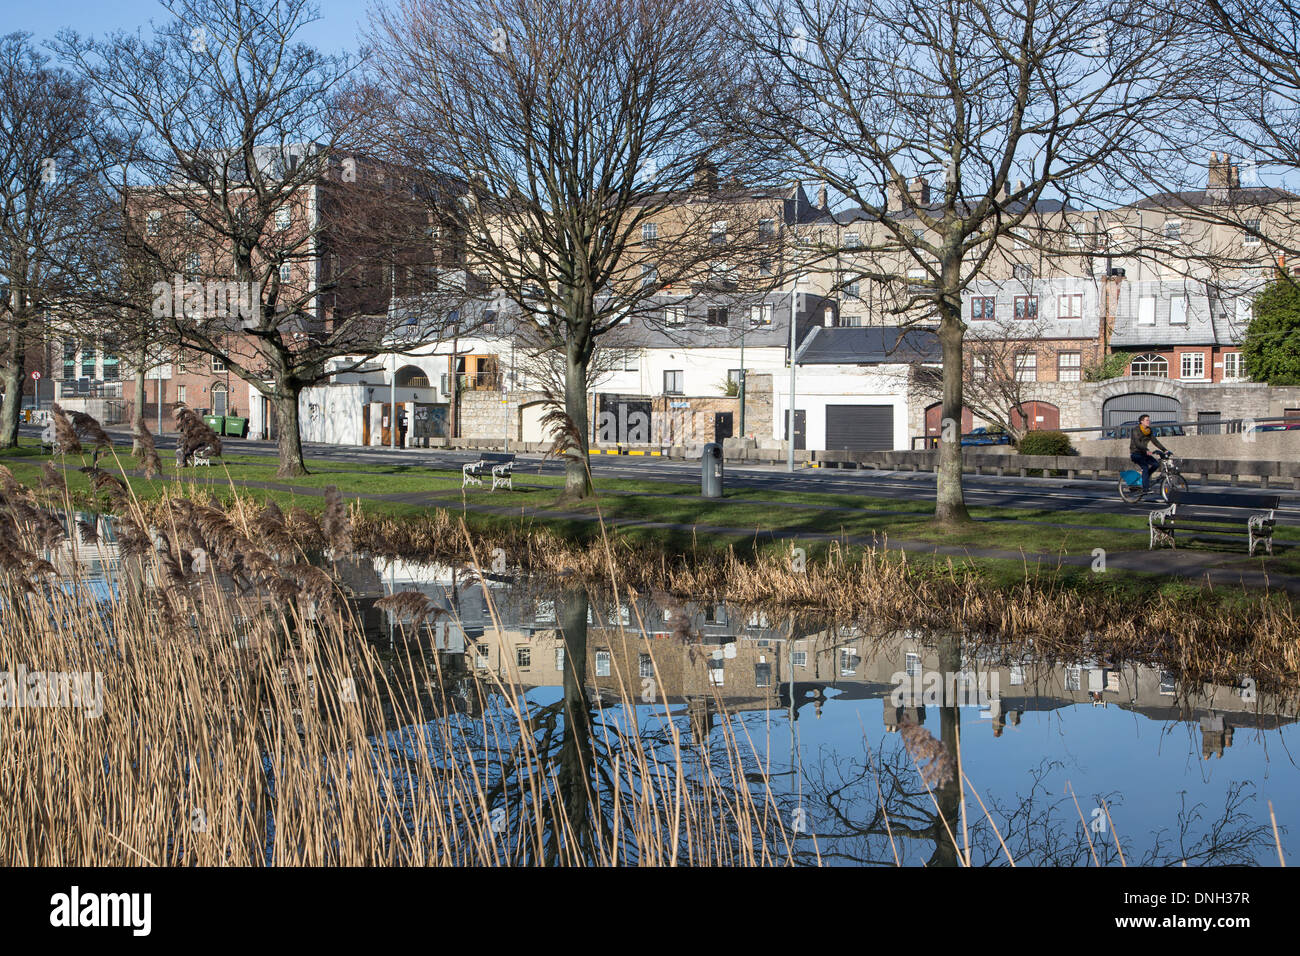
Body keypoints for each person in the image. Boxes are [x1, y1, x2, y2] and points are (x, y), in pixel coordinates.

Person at [1129, 414, 1170, 494]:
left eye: (1149, 420)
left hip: (1144, 453)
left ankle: (1145, 478)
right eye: (1147, 420)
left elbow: (1155, 441)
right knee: (1145, 467)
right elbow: (1137, 443)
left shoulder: (1148, 430)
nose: (1149, 421)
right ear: (1141, 421)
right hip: (1136, 453)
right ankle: (1145, 488)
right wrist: (1146, 450)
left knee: (1156, 464)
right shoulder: (1136, 430)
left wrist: (1165, 450)